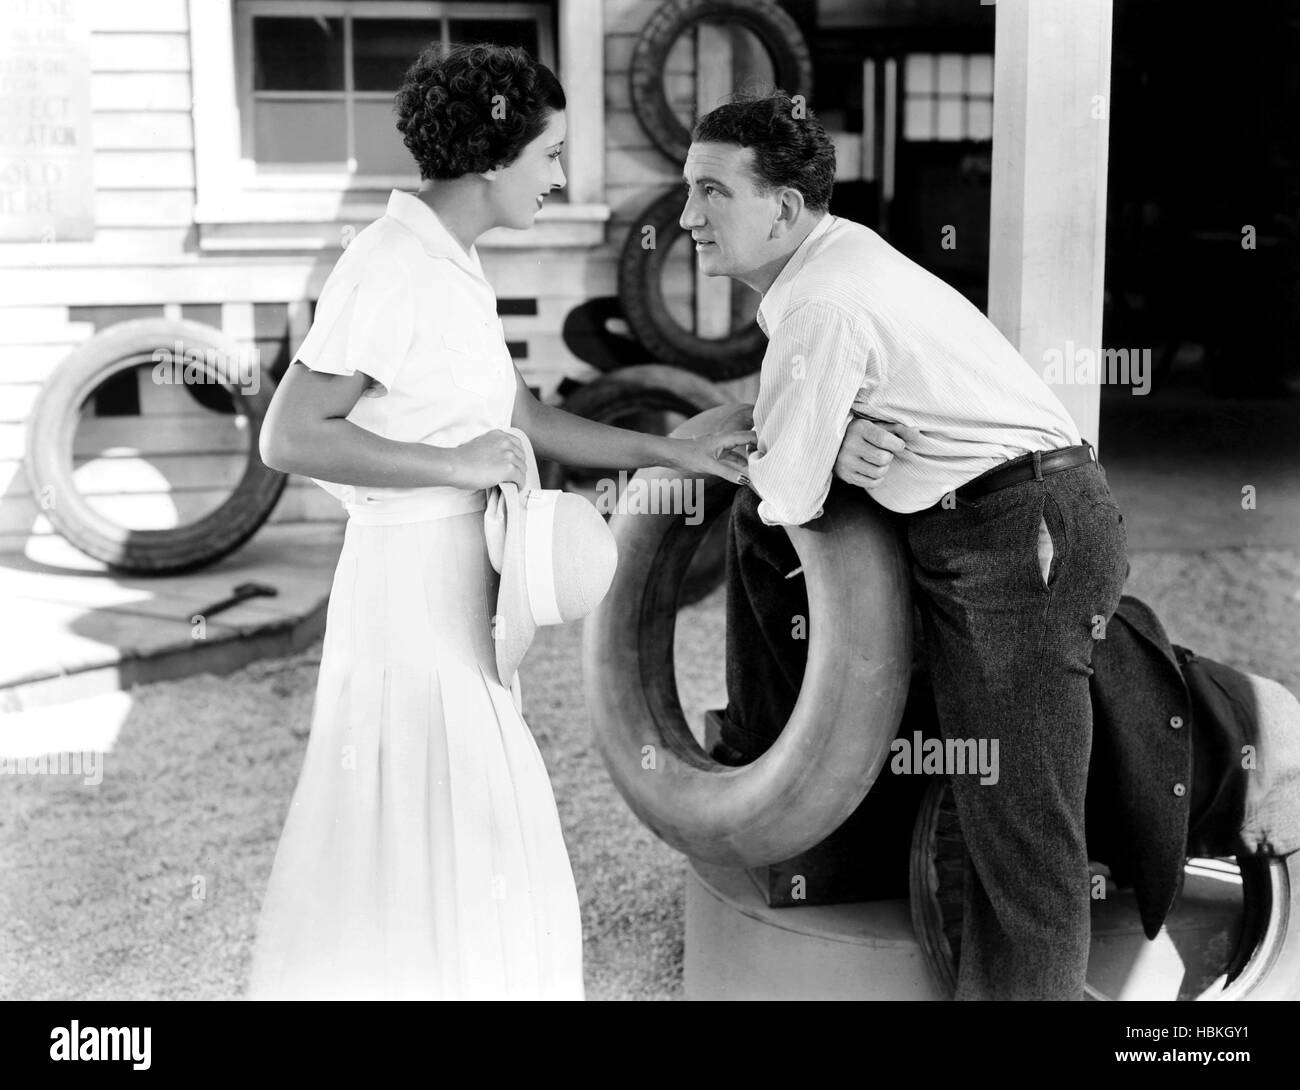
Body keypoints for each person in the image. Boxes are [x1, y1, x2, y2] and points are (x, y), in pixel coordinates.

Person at [247, 43, 752, 1001]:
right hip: (404, 595)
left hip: (465, 598)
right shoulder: (389, 263)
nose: (561, 177)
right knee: (434, 807)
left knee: (474, 812)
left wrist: (673, 450)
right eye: (551, 153)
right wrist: (454, 465)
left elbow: (520, 421)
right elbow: (290, 434)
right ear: (491, 156)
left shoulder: (455, 263)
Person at [683, 92, 1129, 1000]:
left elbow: (786, 492)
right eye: (688, 191)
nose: (687, 217)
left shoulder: (821, 302)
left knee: (1023, 839)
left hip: (1021, 533)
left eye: (712, 192)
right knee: (983, 798)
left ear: (784, 207)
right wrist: (833, 436)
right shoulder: (835, 260)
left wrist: (821, 445)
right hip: (993, 521)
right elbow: (806, 458)